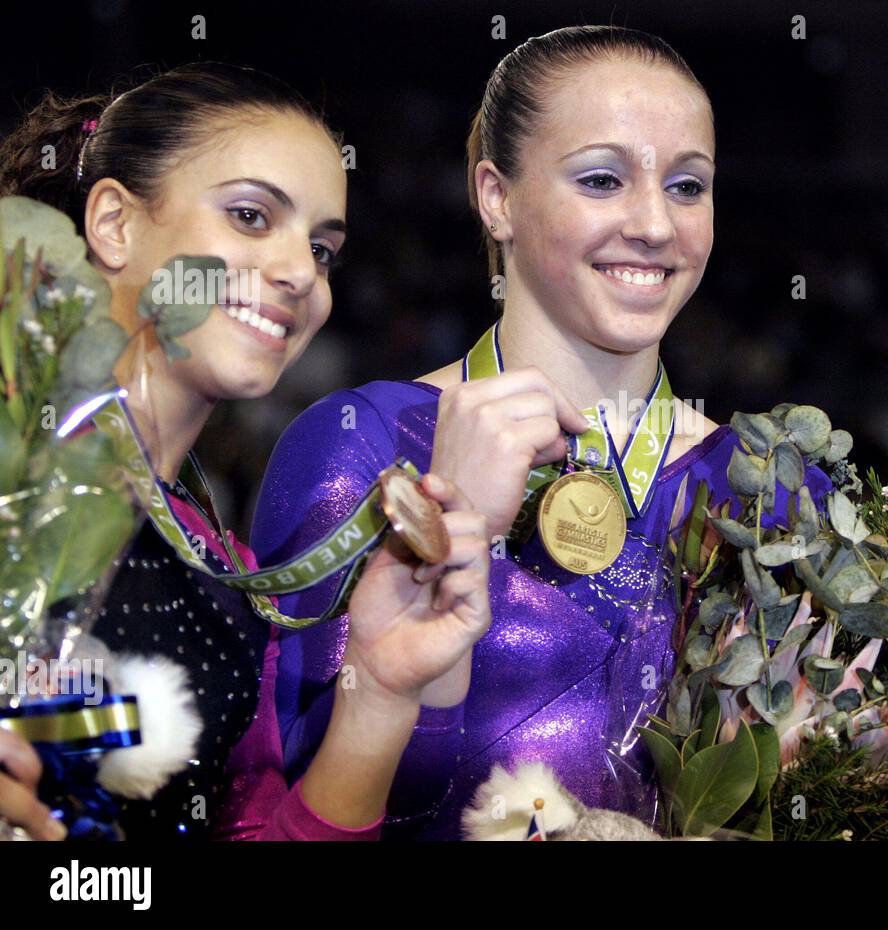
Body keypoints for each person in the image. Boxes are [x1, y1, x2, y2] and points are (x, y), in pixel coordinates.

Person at [250, 25, 828, 840]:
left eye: (689, 186)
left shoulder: (776, 488)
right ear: (496, 197)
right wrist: (460, 536)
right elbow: (305, 809)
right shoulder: (365, 446)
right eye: (602, 179)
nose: (656, 225)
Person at [0, 63, 492, 840]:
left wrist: (383, 688)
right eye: (251, 216)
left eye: (324, 250)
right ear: (114, 225)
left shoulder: (224, 571)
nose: (301, 273)